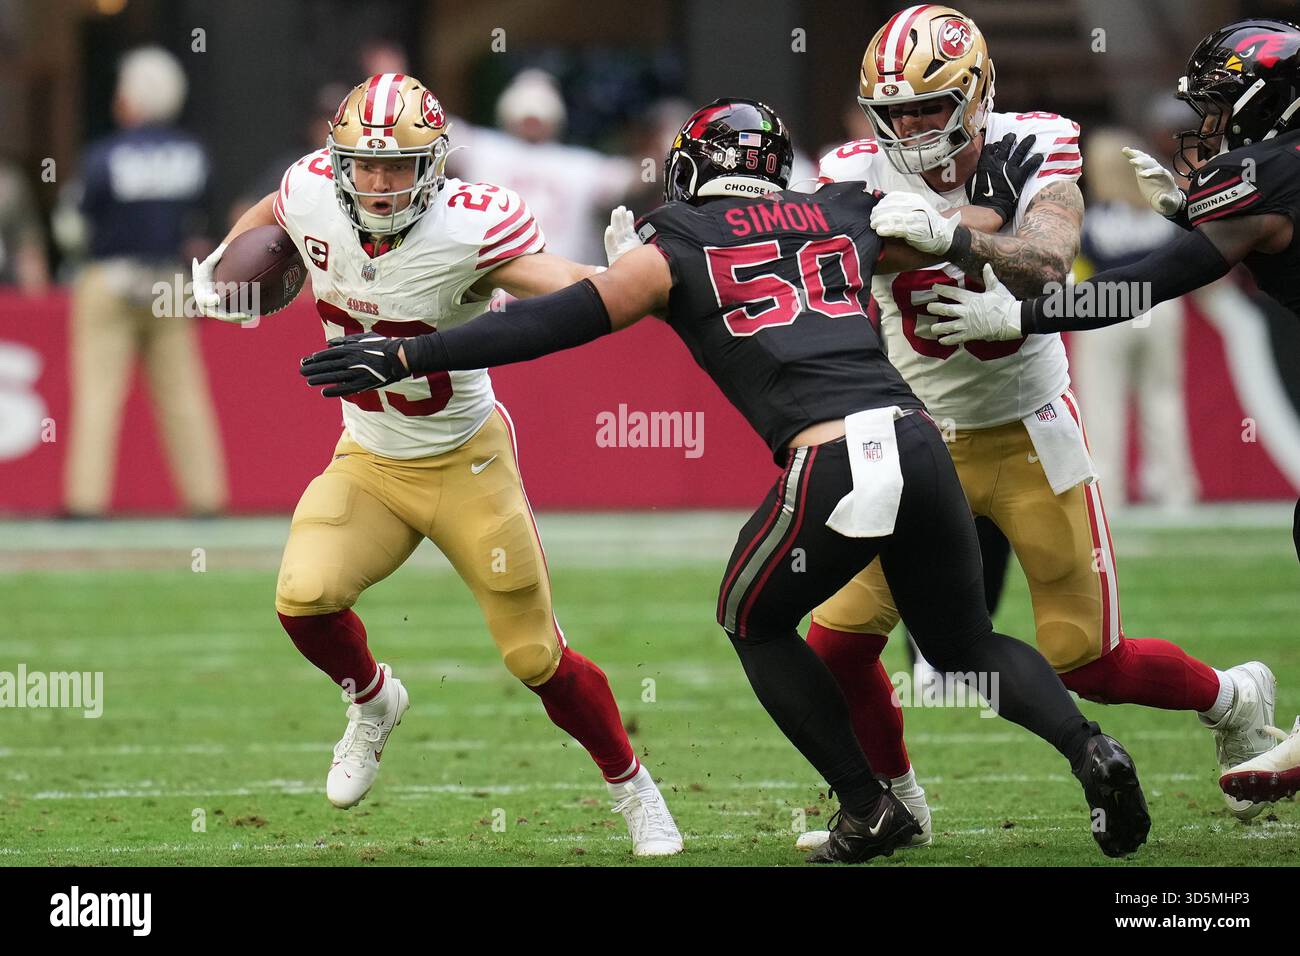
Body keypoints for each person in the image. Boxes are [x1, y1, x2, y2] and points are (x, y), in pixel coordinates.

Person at [300, 97, 1153, 864]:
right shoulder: (840, 210)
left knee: (750, 616)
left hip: (835, 456)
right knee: (966, 646)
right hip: (918, 438)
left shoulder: (676, 245)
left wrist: (410, 350)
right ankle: (1090, 751)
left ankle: (868, 807)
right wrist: (990, 214)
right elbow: (944, 231)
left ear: (689, 170)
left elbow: (557, 324)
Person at [800, 6, 1275, 844]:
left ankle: (1233, 697)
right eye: (894, 114)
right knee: (837, 646)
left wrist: (957, 237)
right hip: (913, 439)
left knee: (1091, 661)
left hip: (1028, 425)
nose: (908, 130)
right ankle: (898, 805)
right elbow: (834, 253)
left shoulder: (1038, 141)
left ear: (975, 96)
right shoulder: (847, 167)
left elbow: (1050, 256)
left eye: (927, 109)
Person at [190, 73, 681, 856]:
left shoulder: (470, 226)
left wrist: (624, 279)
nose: (380, 185)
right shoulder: (313, 190)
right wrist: (223, 263)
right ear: (337, 159)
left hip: (465, 459)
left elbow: (561, 291)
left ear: (436, 165)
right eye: (365, 165)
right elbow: (270, 214)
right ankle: (373, 700)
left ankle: (633, 787)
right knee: (302, 598)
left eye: (399, 167)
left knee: (535, 657)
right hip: (371, 460)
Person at [64, 46, 227, 517]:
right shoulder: (193, 154)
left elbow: (75, 226)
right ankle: (205, 499)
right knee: (183, 396)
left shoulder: (104, 155)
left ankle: (86, 503)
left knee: (98, 397)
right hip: (169, 281)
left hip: (111, 277)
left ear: (129, 98)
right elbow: (201, 227)